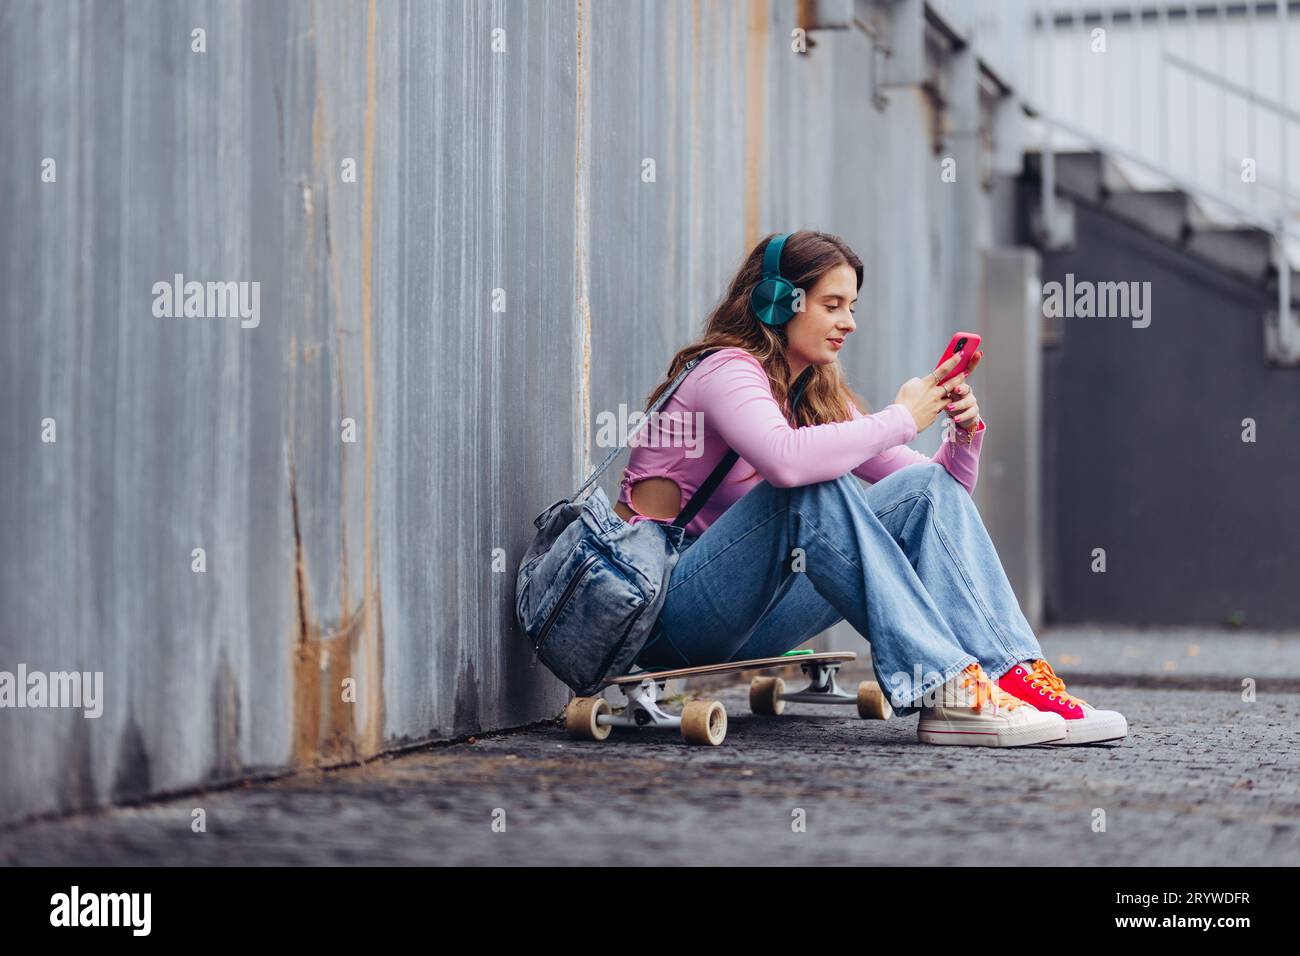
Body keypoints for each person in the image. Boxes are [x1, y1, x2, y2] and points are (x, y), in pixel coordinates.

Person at [612, 230, 1127, 747]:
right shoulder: (724, 370)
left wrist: (963, 435)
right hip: (663, 614)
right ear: (774, 302)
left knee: (921, 488)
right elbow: (785, 463)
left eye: (852, 306)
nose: (848, 323)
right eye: (832, 304)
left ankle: (1013, 673)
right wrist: (902, 418)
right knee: (809, 487)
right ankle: (946, 688)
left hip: (752, 622)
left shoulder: (809, 391)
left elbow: (933, 496)